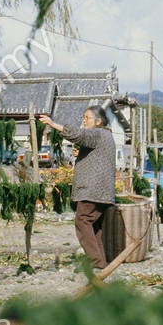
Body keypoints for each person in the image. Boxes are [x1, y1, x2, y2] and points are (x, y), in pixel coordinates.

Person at [39, 105, 117, 269]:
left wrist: (53, 124)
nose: (84, 121)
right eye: (84, 117)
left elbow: (79, 135)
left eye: (87, 118)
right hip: (101, 190)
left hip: (92, 190)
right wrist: (81, 153)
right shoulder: (105, 135)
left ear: (98, 121)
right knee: (94, 226)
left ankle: (95, 261)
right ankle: (100, 261)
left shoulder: (97, 133)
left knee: (82, 221)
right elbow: (95, 153)